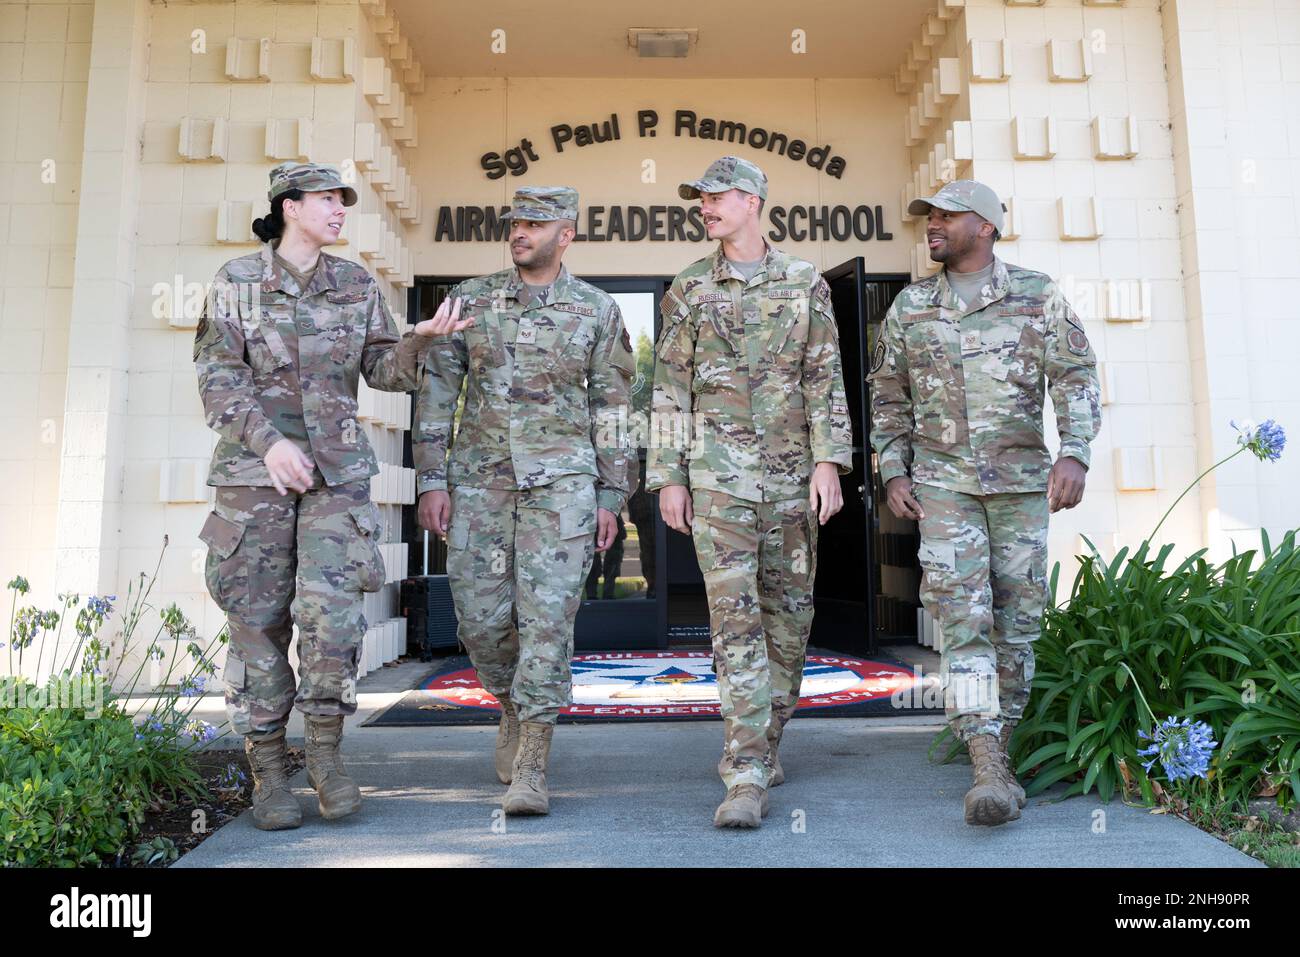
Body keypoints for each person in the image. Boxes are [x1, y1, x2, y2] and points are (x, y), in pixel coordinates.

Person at [194, 161, 467, 830]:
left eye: (343, 200)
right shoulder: (236, 282)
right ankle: (269, 773)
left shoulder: (353, 284)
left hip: (337, 480)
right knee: (257, 625)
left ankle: (325, 757)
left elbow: (381, 369)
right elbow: (217, 381)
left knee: (335, 624)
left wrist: (418, 343)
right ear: (289, 206)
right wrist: (269, 443)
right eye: (327, 199)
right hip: (255, 482)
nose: (341, 209)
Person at [868, 179, 1102, 826]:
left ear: (988, 225)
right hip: (944, 488)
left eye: (946, 215)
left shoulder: (1036, 295)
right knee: (964, 620)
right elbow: (888, 394)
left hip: (1023, 484)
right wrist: (893, 470)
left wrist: (1074, 451)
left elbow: (1076, 376)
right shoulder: (912, 307)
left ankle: (1002, 744)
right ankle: (986, 762)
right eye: (929, 217)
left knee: (1018, 622)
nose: (933, 225)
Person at [413, 186, 636, 815]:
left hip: (562, 491)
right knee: (480, 623)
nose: (520, 232)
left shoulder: (596, 309)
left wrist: (611, 495)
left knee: (547, 624)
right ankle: (511, 704)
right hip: (479, 487)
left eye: (535, 223)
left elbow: (613, 409)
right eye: (516, 222)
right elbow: (436, 396)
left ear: (566, 234)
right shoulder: (471, 301)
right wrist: (432, 479)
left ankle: (534, 762)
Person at [647, 156, 854, 828]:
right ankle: (743, 771)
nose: (704, 207)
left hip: (794, 482)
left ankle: (768, 737)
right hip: (719, 484)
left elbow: (825, 378)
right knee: (736, 624)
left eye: (714, 196)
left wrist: (830, 462)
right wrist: (670, 475)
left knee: (788, 624)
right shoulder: (688, 288)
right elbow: (669, 389)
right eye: (700, 198)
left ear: (750, 199)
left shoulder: (804, 283)